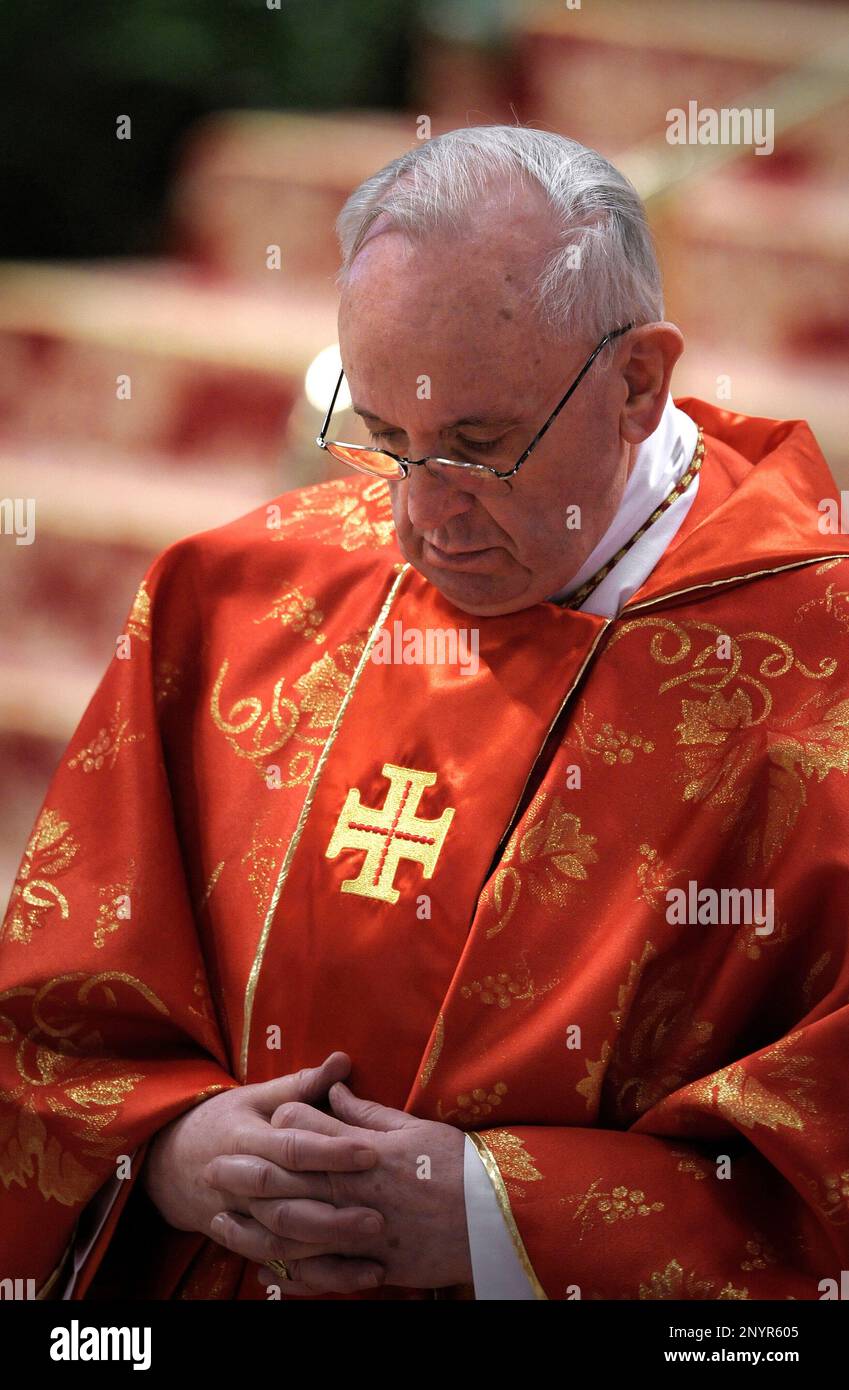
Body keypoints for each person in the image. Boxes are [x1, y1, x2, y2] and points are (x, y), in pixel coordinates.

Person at [2, 126, 848, 1303]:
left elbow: (823, 1169)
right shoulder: (240, 596)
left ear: (638, 384)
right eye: (386, 439)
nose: (418, 518)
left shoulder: (819, 686)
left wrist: (500, 1219)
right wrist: (169, 1149)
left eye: (478, 449)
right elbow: (55, 1023)